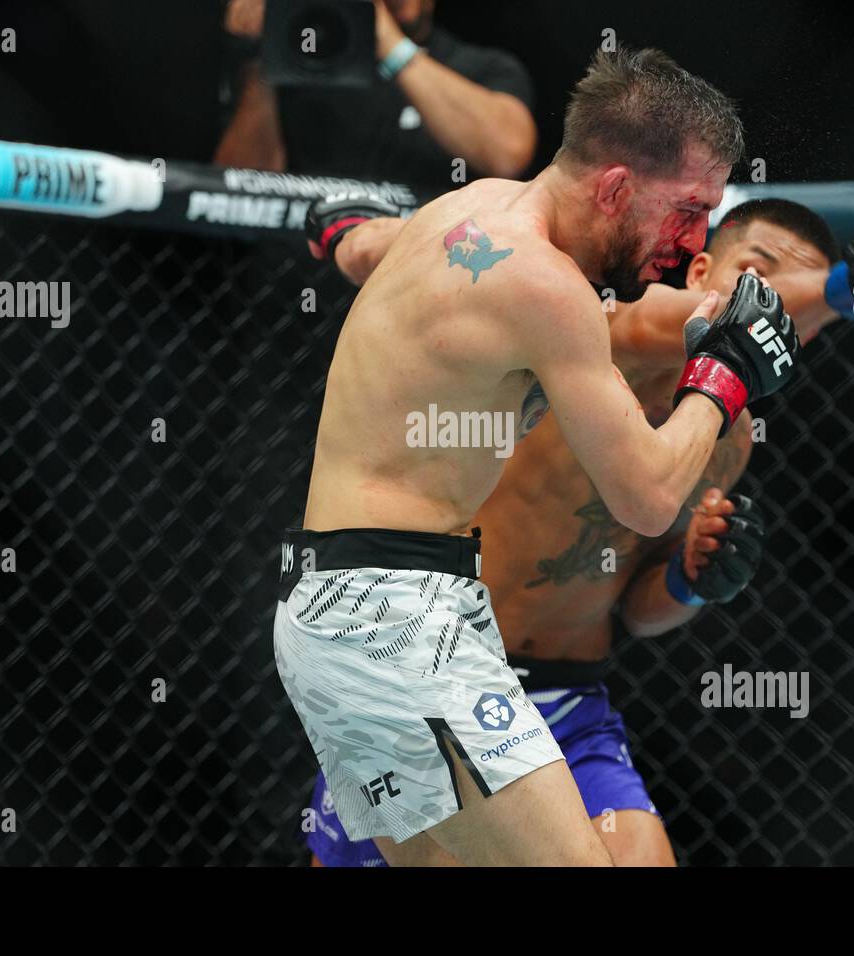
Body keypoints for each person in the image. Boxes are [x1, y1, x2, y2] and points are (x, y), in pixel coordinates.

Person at [302, 197, 854, 865]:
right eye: (755, 278)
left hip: (569, 696)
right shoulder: (599, 335)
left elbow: (636, 610)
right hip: (437, 674)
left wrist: (691, 579)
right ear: (700, 271)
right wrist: (849, 289)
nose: (773, 306)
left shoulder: (726, 434)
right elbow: (664, 320)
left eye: (795, 302)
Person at [273, 46, 806, 867]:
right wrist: (726, 377)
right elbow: (649, 500)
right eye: (690, 210)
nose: (695, 239)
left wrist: (344, 228)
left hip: (336, 608)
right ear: (618, 188)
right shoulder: (546, 289)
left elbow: (363, 249)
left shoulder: (469, 208)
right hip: (400, 615)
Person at [215, 0, 537, 197]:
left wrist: (388, 42)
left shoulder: (484, 68)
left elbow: (508, 152)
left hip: (429, 279)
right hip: (303, 287)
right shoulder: (307, 65)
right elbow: (237, 189)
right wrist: (265, 53)